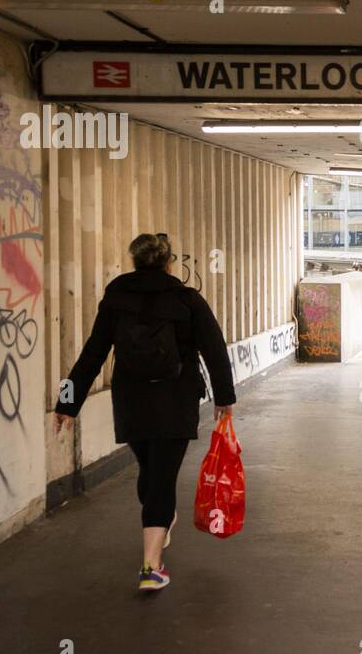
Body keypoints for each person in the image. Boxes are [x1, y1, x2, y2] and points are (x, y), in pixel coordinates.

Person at [53, 233, 235, 592]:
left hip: (131, 399)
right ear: (169, 264)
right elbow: (214, 349)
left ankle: (160, 519)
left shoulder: (117, 297)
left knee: (153, 473)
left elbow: (93, 353)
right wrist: (224, 399)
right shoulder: (187, 299)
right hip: (175, 399)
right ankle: (151, 568)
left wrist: (66, 403)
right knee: (161, 478)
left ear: (135, 262)